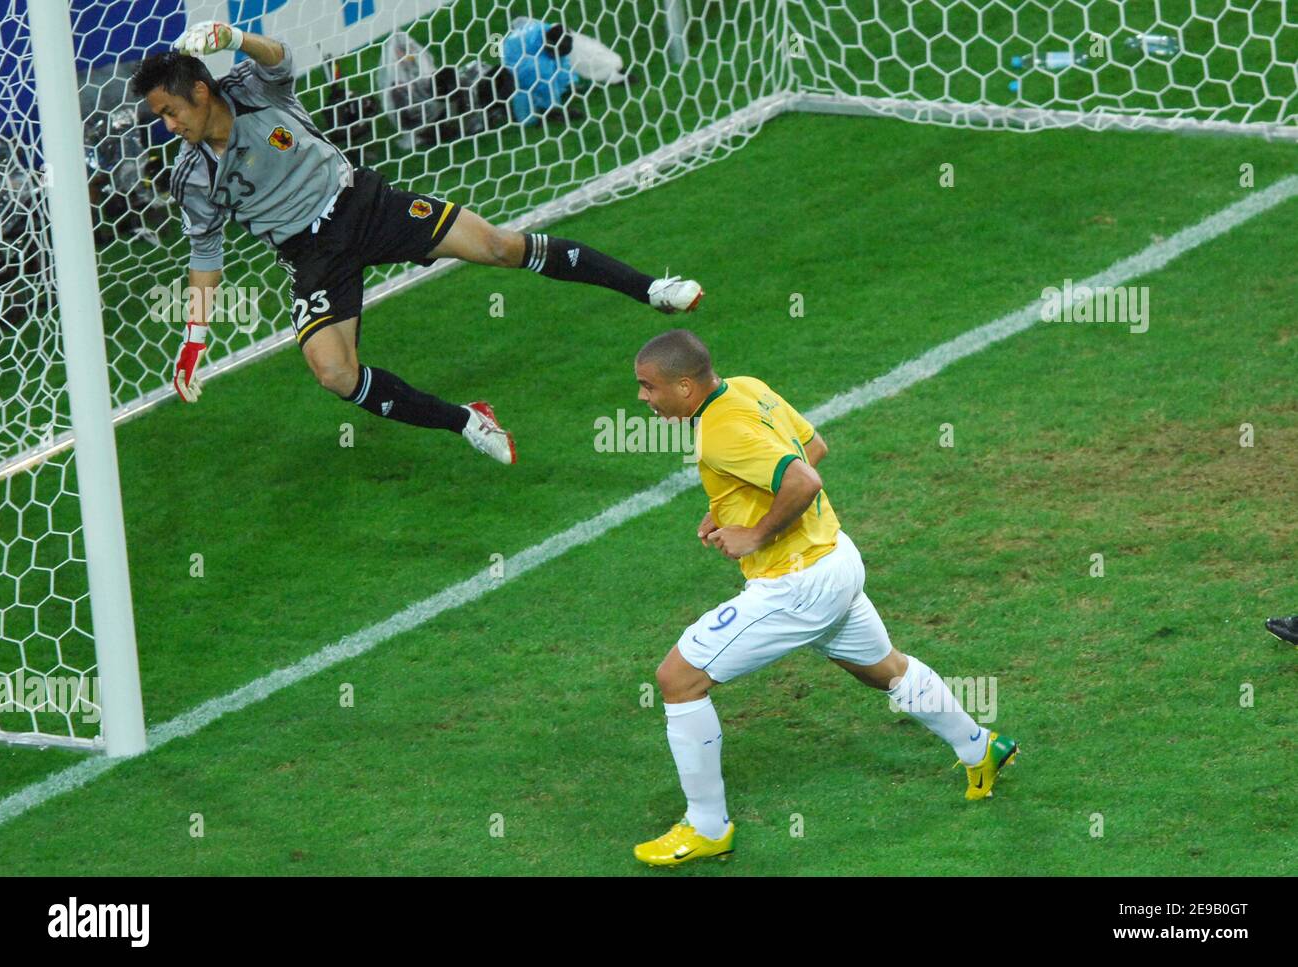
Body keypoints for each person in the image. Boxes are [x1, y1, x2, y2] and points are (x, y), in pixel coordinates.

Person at [131, 22, 704, 465]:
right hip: (311, 256)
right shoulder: (191, 178)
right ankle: (468, 420)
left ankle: (652, 288)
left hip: (364, 204)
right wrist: (193, 339)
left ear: (201, 92)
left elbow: (280, 56)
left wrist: (233, 37)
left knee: (500, 247)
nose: (169, 125)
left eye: (170, 111)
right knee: (334, 374)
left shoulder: (253, 90)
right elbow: (205, 256)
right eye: (161, 117)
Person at [631, 329, 1017, 866]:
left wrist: (756, 533)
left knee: (678, 680)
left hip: (796, 583)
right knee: (883, 668)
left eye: (649, 388)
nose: (644, 399)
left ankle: (707, 827)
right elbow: (812, 446)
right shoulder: (747, 387)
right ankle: (980, 747)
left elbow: (805, 479)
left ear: (686, 386)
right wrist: (730, 509)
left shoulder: (720, 432)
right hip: (836, 557)